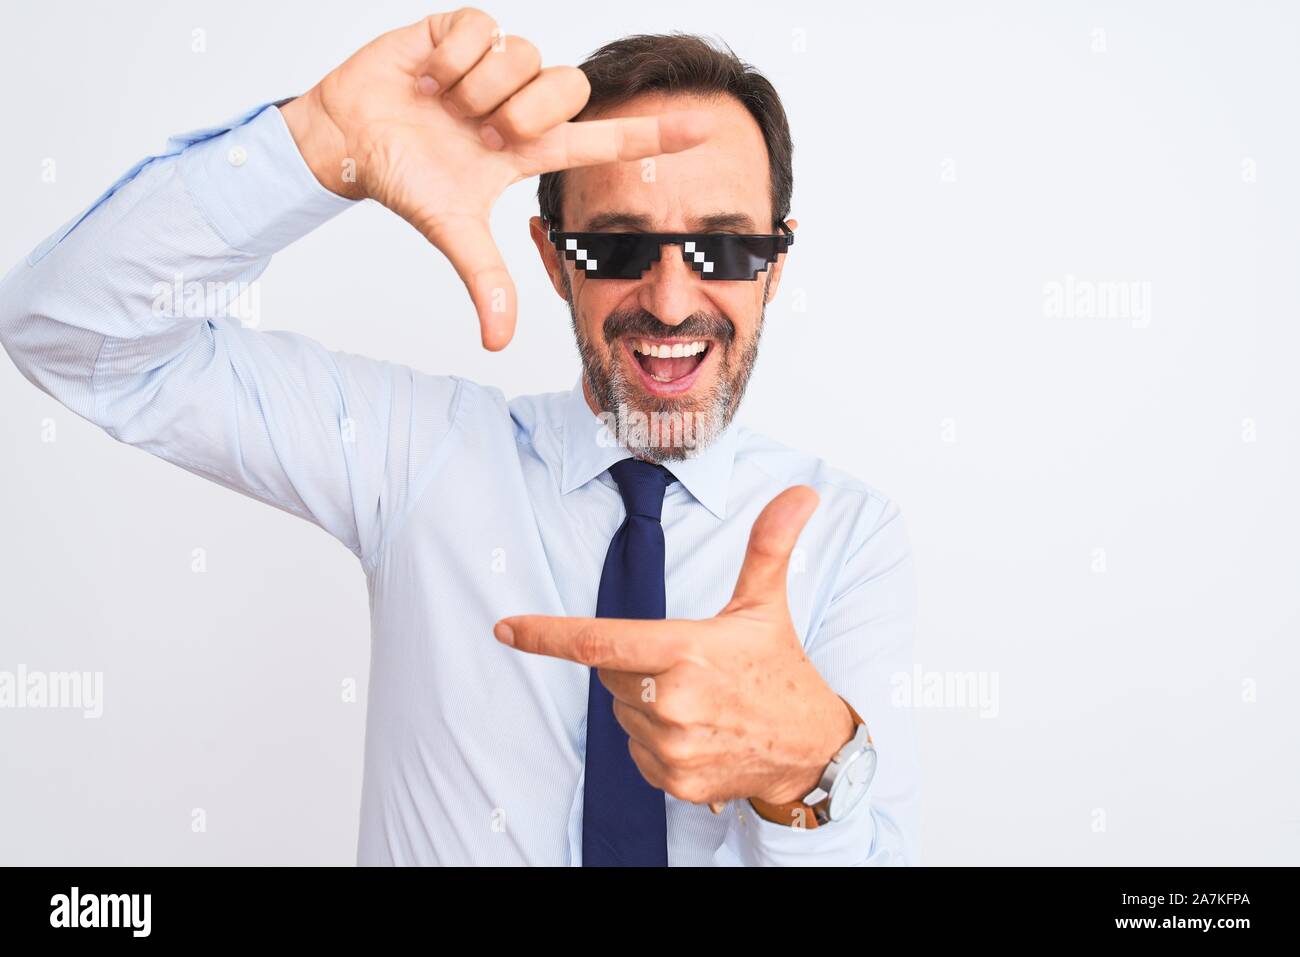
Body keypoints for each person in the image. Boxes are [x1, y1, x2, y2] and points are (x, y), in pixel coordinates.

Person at [0, 9, 919, 866]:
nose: (672, 301)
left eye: (720, 248)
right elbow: (72, 332)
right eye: (617, 247)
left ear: (775, 265)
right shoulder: (418, 457)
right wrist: (315, 146)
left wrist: (804, 777)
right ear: (555, 259)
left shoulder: (848, 539)